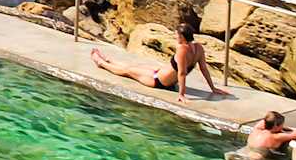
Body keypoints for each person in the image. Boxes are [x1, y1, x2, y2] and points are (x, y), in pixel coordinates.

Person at [89, 22, 232, 102]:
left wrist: (181, 95)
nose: (174, 36)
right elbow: (204, 69)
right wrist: (212, 88)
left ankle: (101, 63)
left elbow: (182, 73)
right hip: (161, 74)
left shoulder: (182, 49)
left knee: (128, 71)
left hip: (159, 81)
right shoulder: (198, 47)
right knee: (133, 67)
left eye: (176, 34)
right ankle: (108, 59)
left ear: (182, 36)